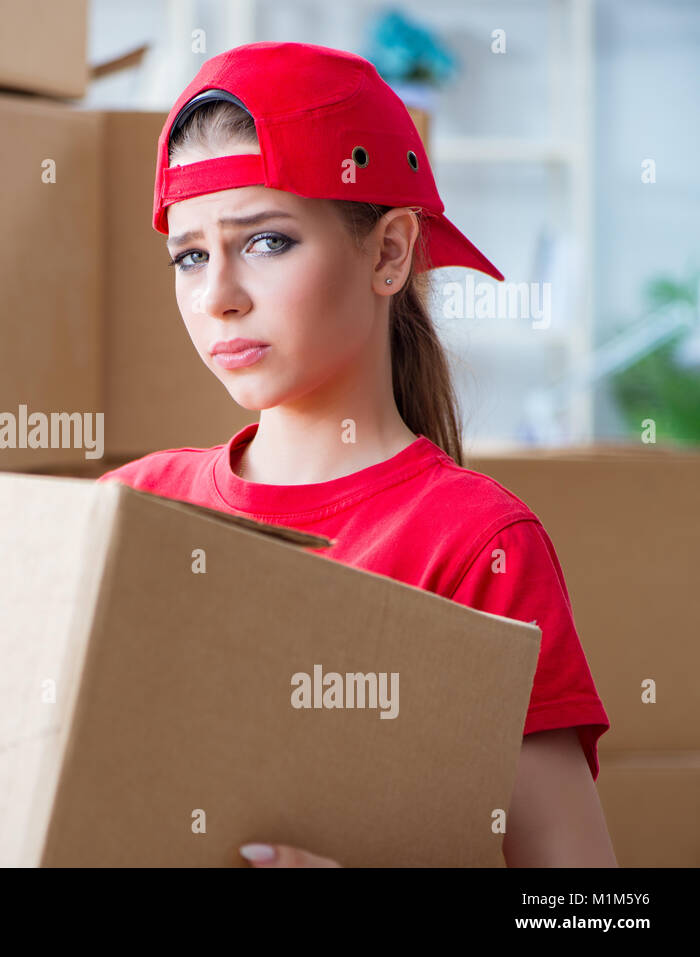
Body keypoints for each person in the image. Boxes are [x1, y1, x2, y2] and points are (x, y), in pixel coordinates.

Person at [96, 41, 615, 868]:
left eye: (266, 242)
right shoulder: (131, 508)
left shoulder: (478, 549)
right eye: (190, 255)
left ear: (388, 252)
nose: (217, 296)